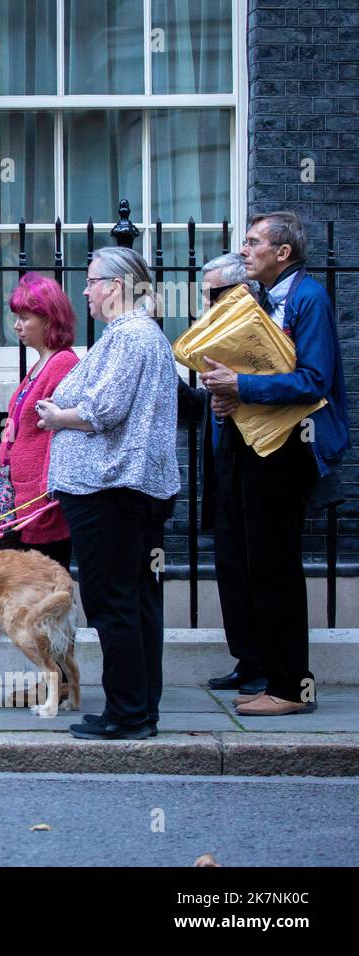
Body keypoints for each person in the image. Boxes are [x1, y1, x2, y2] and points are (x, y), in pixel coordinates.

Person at [198, 211, 350, 716]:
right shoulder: (260, 299)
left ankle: (290, 687)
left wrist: (241, 387)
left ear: (282, 252)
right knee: (251, 564)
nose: (244, 251)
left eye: (252, 242)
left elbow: (314, 380)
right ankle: (268, 674)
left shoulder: (308, 298)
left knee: (275, 566)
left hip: (287, 450)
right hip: (251, 443)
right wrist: (225, 397)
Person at [36, 246, 178, 739]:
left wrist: (57, 417)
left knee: (112, 601)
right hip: (122, 489)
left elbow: (104, 409)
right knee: (135, 600)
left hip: (109, 488)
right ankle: (138, 708)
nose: (85, 290)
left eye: (91, 280)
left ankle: (127, 714)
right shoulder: (140, 336)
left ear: (115, 286)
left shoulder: (131, 336)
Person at [173, 254, 266, 696]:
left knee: (259, 567)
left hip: (258, 466)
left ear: (240, 292)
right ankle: (247, 661)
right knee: (229, 565)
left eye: (214, 293)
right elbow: (206, 409)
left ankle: (270, 663)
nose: (206, 303)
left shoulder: (255, 336)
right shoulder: (215, 336)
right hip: (223, 470)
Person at [0, 273, 80, 570]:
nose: (17, 325)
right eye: (16, 317)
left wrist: (43, 497)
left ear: (49, 319)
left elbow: (61, 436)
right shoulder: (40, 364)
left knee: (43, 587)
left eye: (25, 317)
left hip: (41, 502)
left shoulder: (63, 363)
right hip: (23, 495)